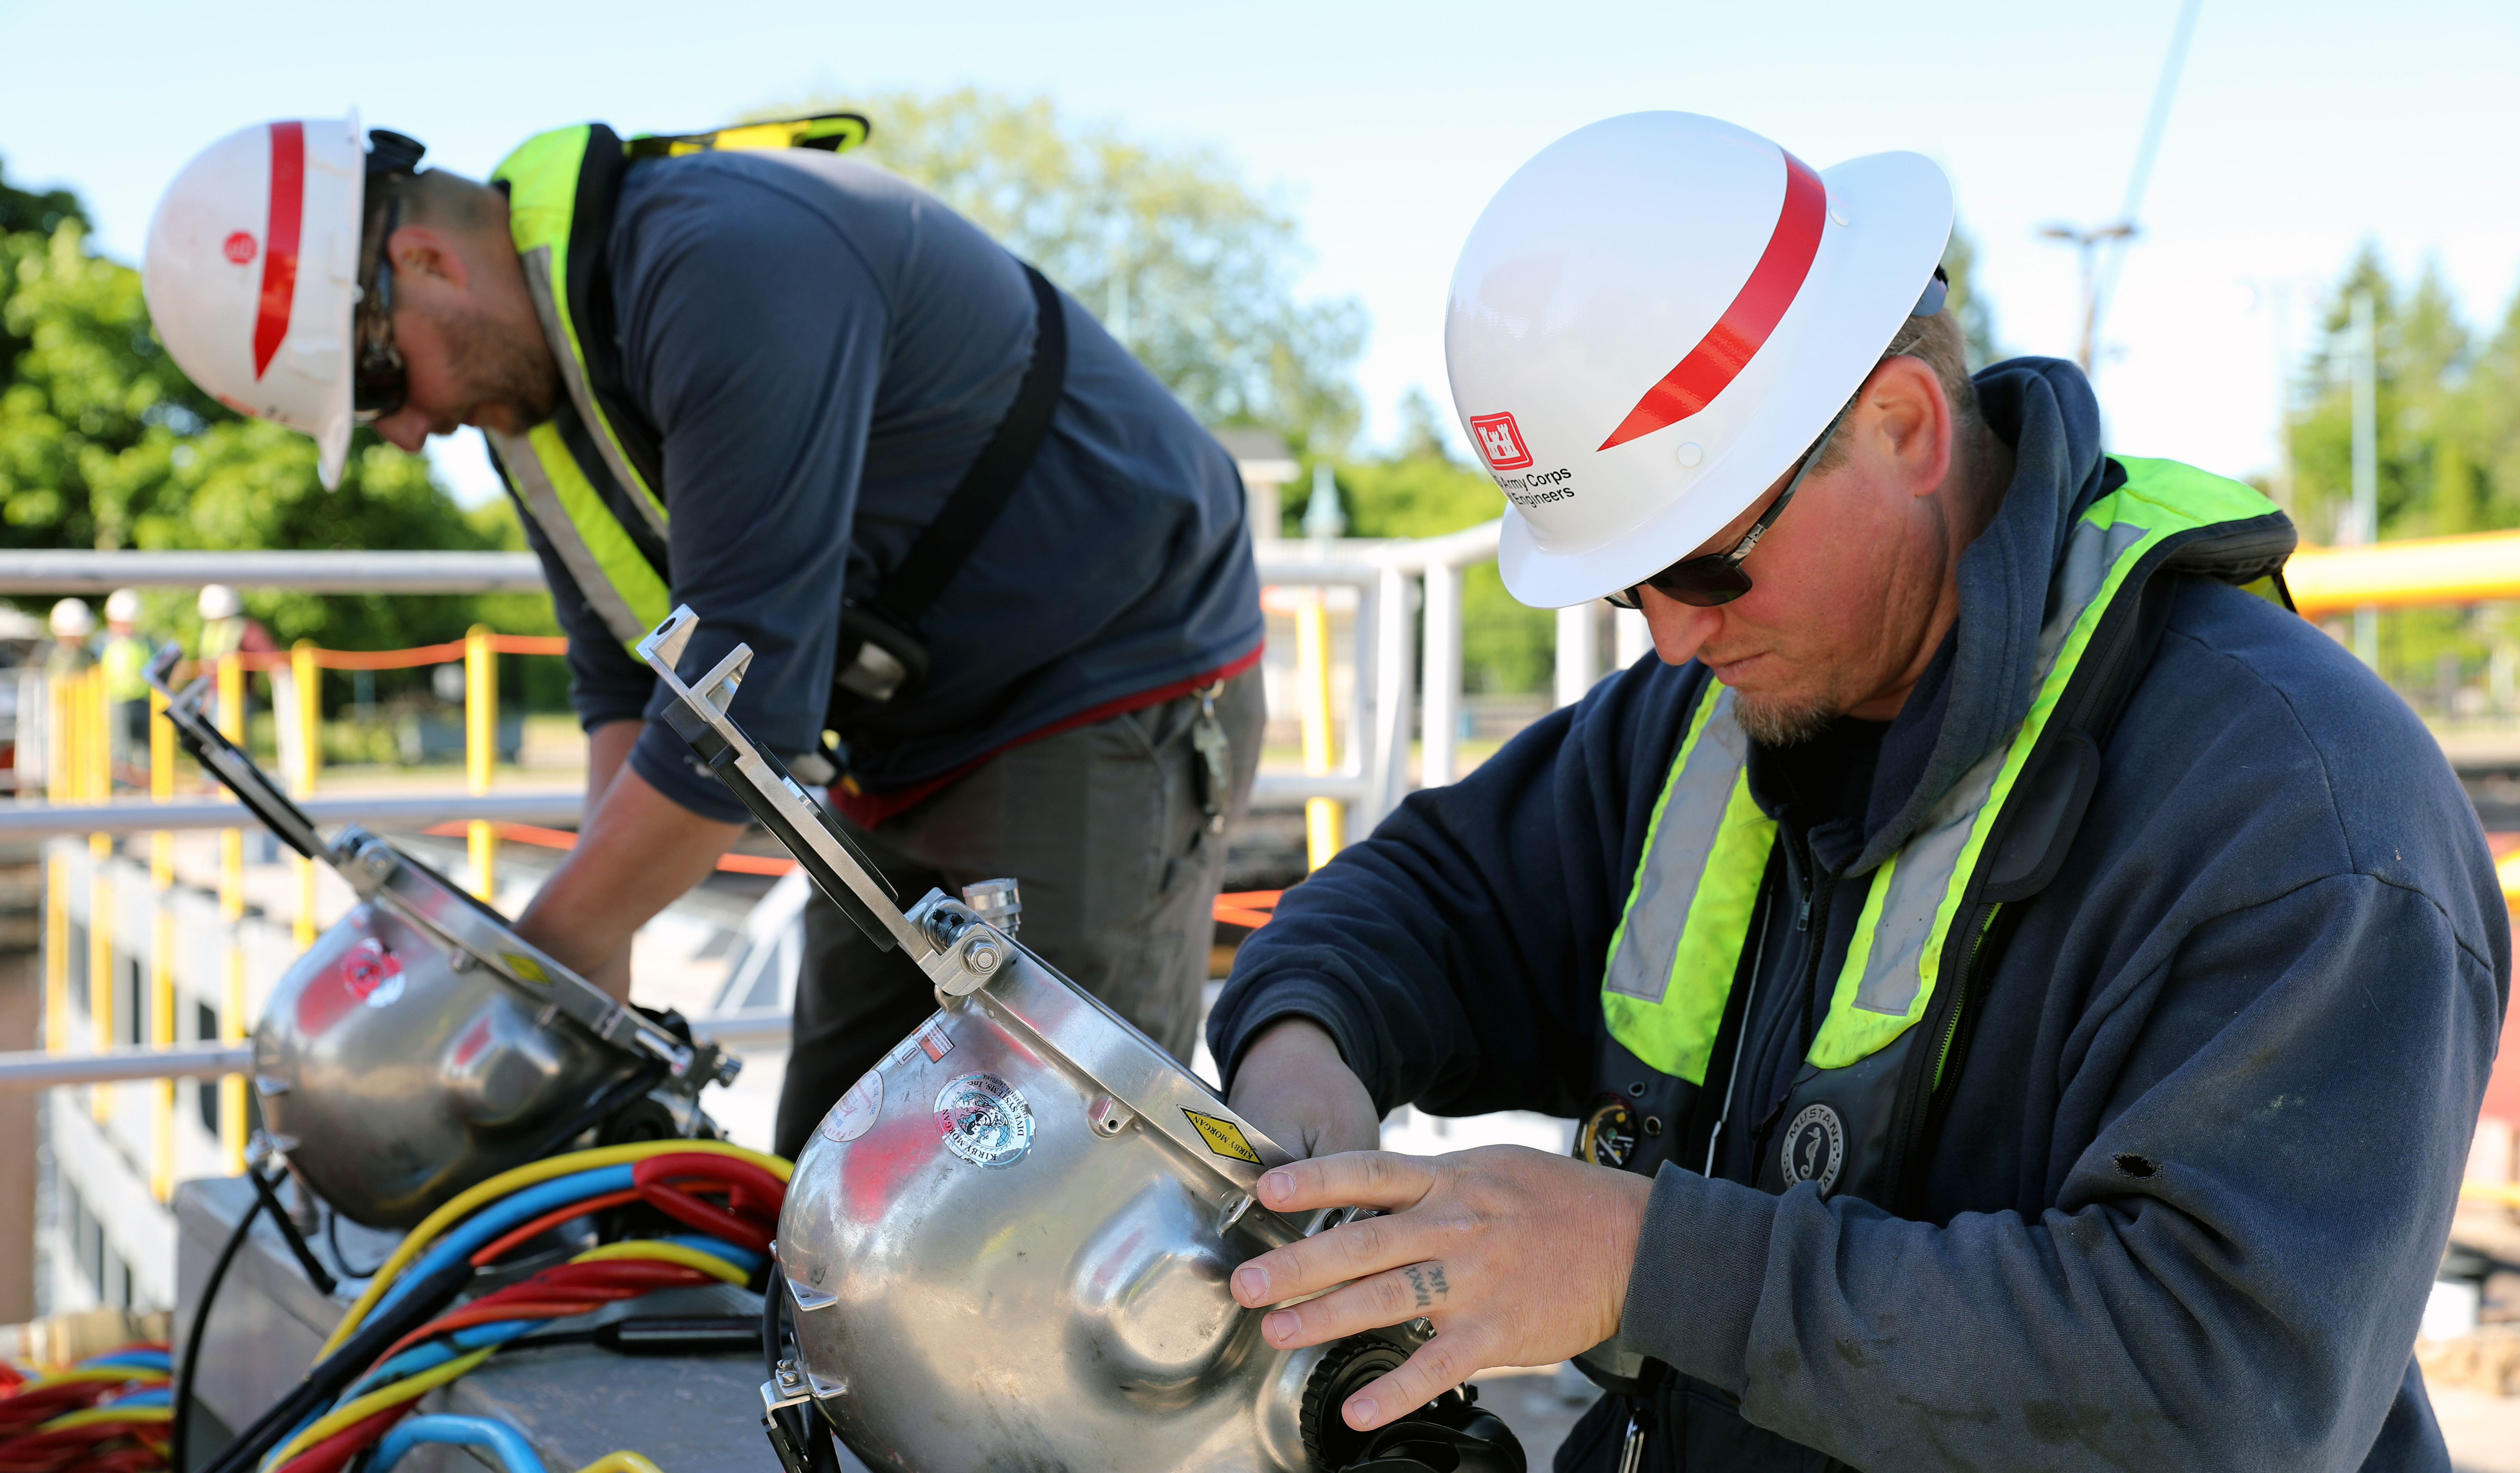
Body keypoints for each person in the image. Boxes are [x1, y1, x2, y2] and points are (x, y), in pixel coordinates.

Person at [1208, 112, 2505, 1472]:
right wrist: (1303, 1060)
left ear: (1897, 426)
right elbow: (1427, 900)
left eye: (1704, 565)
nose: (1667, 637)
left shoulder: (2295, 811)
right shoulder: (1708, 711)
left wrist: (1640, 1264)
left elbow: (2215, 1383)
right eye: (1622, 582)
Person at [142, 113, 1264, 1160]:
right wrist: (592, 1010)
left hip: (1105, 675)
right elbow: (625, 692)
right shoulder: (531, 396)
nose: (400, 430)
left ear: (430, 262)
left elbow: (744, 704)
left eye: (378, 379)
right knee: (828, 1175)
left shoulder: (721, 263)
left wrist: (531, 987)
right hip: (905, 731)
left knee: (1049, 1169)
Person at [98, 588, 152, 782]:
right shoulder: (103, 641)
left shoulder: (144, 642)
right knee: (119, 747)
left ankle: (145, 784)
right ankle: (121, 785)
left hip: (143, 700)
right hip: (117, 701)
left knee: (144, 748)